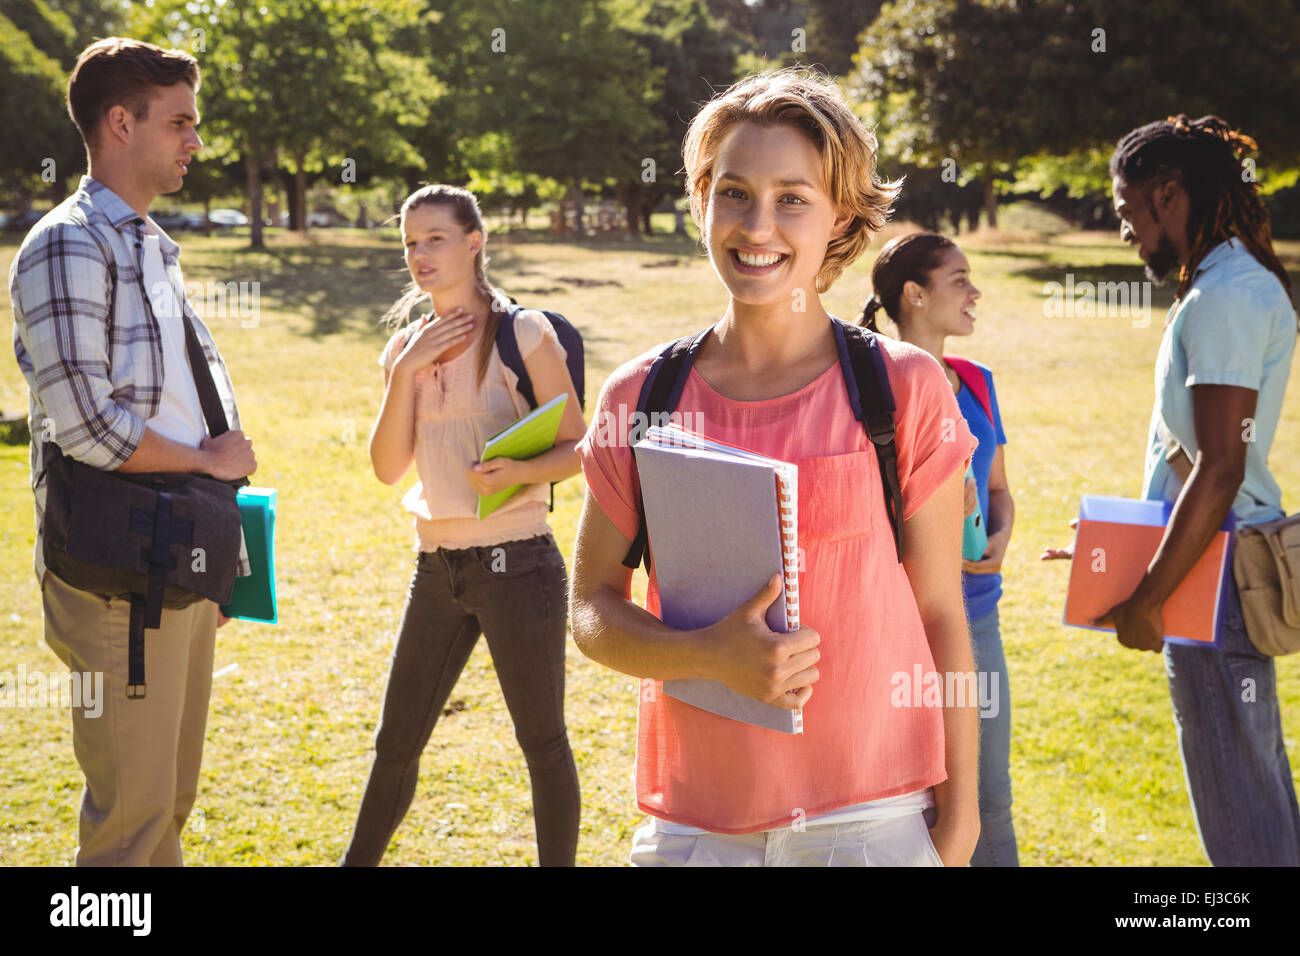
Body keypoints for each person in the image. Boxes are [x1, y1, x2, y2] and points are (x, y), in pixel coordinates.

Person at [570, 68, 981, 867]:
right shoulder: (640, 395)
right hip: (696, 827)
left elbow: (942, 615)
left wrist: (959, 825)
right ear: (700, 200)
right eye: (734, 193)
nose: (758, 226)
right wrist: (708, 655)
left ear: (840, 219)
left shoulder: (902, 389)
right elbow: (591, 611)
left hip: (871, 818)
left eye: (793, 198)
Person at [9, 38, 257, 866]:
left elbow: (180, 405)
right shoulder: (69, 244)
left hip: (173, 553)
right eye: (180, 122)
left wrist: (215, 548)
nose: (196, 141)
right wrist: (209, 467)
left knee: (167, 806)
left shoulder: (146, 243)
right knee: (132, 828)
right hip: (119, 575)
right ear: (121, 122)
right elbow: (88, 427)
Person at [1045, 114, 1299, 865]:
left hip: (1211, 583)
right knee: (1252, 792)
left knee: (1243, 814)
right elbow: (1192, 460)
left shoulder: (1225, 295)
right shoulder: (1224, 284)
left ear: (1169, 193)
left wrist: (1150, 598)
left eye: (1128, 213)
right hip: (1206, 567)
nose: (1126, 231)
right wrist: (1116, 557)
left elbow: (1220, 468)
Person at [341, 184, 584, 866]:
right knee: (396, 744)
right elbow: (389, 468)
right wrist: (407, 371)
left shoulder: (523, 333)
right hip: (437, 569)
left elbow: (581, 446)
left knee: (542, 744)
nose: (421, 254)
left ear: (474, 243)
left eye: (436, 239)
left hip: (518, 565)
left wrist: (517, 474)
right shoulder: (403, 351)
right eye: (411, 243)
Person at [860, 232, 1018, 866]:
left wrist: (1000, 532)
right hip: (894, 622)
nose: (974, 292)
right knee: (908, 800)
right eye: (959, 280)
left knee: (989, 795)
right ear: (915, 294)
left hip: (976, 614)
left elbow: (1001, 488)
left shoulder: (975, 382)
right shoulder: (869, 385)